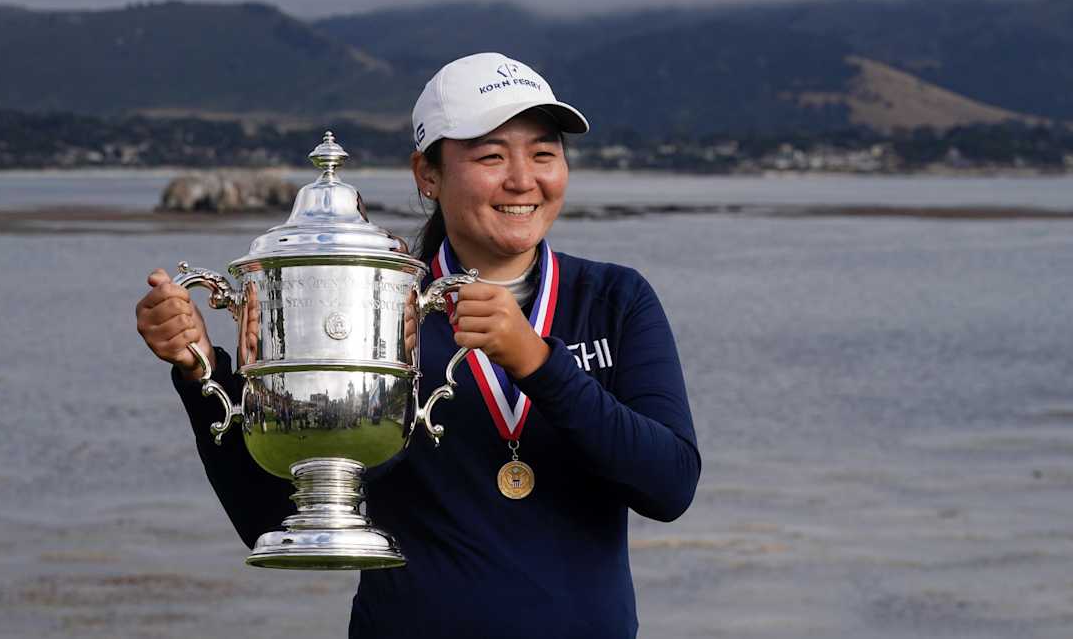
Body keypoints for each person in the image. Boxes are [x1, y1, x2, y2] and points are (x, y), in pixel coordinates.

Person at [135, 52, 700, 638]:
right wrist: (201, 371)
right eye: (491, 156)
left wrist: (536, 361)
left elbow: (669, 486)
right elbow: (271, 518)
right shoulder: (375, 306)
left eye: (543, 153)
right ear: (427, 175)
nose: (522, 179)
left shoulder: (614, 299)